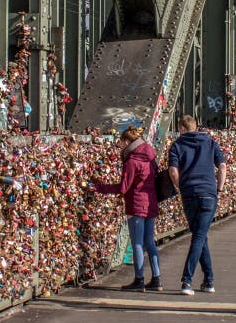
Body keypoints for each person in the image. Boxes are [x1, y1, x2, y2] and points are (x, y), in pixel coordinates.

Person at [94, 126, 162, 292]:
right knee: (149, 241)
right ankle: (157, 279)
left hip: (136, 204)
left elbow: (123, 188)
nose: (119, 146)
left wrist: (99, 187)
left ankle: (139, 279)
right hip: (151, 202)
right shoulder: (150, 156)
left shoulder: (132, 161)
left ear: (126, 142)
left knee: (137, 242)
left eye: (120, 143)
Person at [168, 115, 227, 296]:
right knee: (201, 237)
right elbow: (223, 166)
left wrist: (181, 187)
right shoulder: (210, 142)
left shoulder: (177, 145)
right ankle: (208, 280)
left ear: (182, 128)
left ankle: (187, 280)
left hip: (189, 194)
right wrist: (219, 189)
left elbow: (172, 171)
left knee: (199, 236)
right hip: (209, 194)